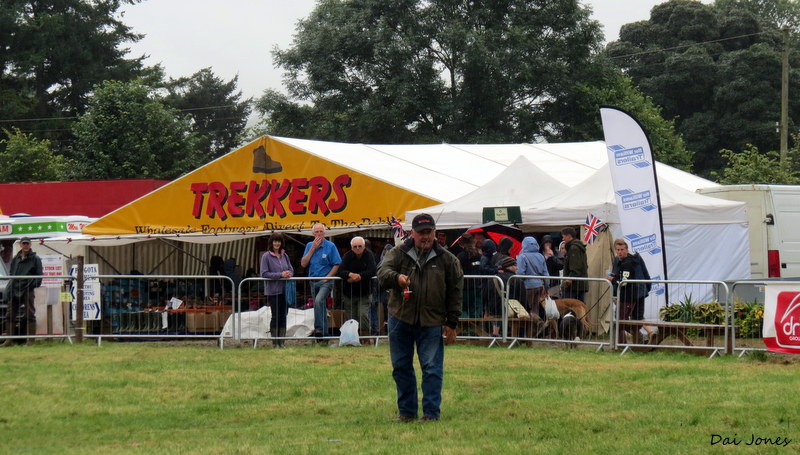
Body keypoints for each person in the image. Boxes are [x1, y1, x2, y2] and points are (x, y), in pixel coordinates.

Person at [377, 213, 463, 422]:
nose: (425, 236)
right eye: (421, 232)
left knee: (432, 368)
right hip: (400, 318)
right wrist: (396, 278)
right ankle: (406, 412)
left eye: (429, 232)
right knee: (401, 367)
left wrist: (451, 323)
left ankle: (431, 414)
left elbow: (455, 292)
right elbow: (382, 272)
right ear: (412, 233)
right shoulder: (398, 252)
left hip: (432, 322)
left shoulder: (448, 259)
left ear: (435, 232)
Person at [607, 238, 653, 343]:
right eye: (618, 250)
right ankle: (645, 336)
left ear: (626, 249)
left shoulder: (628, 261)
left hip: (630, 293)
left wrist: (614, 286)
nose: (620, 252)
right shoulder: (635, 257)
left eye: (622, 249)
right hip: (639, 291)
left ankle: (627, 343)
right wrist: (646, 287)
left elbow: (622, 280)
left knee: (623, 320)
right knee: (636, 318)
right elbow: (645, 274)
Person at [300, 223, 341, 339]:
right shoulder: (309, 245)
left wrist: (328, 277)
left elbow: (337, 264)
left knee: (318, 301)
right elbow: (303, 263)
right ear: (313, 234)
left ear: (324, 233)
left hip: (326, 281)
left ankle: (319, 329)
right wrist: (312, 248)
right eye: (316, 232)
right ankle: (323, 334)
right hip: (313, 280)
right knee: (319, 306)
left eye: (321, 232)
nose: (319, 234)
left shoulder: (331, 246)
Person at [2, 237, 43, 346]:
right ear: (20, 245)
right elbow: (12, 274)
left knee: (30, 314)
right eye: (24, 244)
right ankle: (9, 340)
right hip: (14, 288)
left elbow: (39, 277)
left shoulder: (35, 259)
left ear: (30, 245)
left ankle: (31, 341)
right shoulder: (15, 258)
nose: (25, 246)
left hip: (27, 289)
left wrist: (31, 285)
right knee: (10, 314)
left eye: (27, 244)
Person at [260, 232, 294, 348]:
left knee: (284, 315)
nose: (277, 243)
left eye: (279, 241)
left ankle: (282, 342)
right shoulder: (266, 256)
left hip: (285, 290)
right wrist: (280, 275)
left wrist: (288, 273)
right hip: (273, 291)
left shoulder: (285, 256)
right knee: (275, 316)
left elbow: (291, 269)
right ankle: (275, 342)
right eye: (275, 241)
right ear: (271, 242)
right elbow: (264, 273)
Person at [337, 236, 377, 336]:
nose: (357, 248)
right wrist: (350, 274)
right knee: (351, 317)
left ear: (364, 247)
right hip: (349, 293)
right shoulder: (347, 256)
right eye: (355, 246)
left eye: (360, 246)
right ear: (351, 247)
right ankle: (352, 337)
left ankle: (365, 337)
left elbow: (372, 270)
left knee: (362, 314)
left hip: (365, 292)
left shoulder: (369, 255)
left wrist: (359, 276)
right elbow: (340, 271)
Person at [516, 236, 549, 320]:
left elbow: (520, 273)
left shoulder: (522, 256)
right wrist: (546, 286)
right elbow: (545, 273)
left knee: (526, 309)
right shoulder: (541, 256)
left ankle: (528, 327)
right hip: (540, 286)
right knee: (535, 309)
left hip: (527, 286)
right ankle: (536, 324)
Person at [455, 233, 482, 318]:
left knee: (463, 309)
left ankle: (464, 326)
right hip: (477, 286)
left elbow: (456, 271)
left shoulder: (460, 256)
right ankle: (475, 326)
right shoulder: (479, 256)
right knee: (474, 311)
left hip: (464, 287)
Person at [560, 227, 588, 303]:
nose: (563, 239)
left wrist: (569, 279)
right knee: (579, 306)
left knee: (566, 305)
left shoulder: (573, 248)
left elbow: (576, 267)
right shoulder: (578, 247)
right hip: (579, 284)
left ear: (569, 236)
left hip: (573, 286)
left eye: (563, 236)